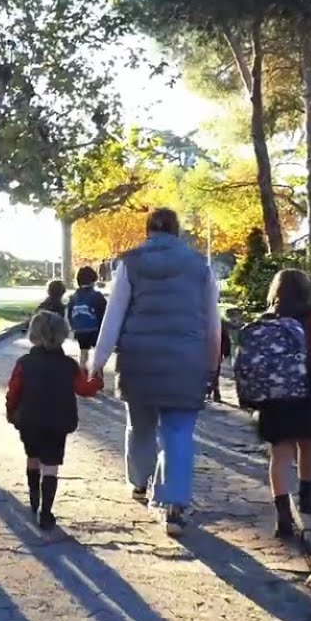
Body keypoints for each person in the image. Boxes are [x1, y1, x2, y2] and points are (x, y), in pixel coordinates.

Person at [90, 208, 221, 536]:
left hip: (139, 360)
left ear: (147, 231)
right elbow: (212, 322)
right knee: (178, 433)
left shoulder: (129, 264)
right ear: (177, 232)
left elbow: (114, 316)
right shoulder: (200, 267)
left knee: (141, 427)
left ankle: (139, 482)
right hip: (186, 360)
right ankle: (174, 506)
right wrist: (212, 364)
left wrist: (98, 361)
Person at [254, 269, 311, 537]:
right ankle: (307, 501)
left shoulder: (266, 321)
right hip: (307, 395)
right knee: (308, 445)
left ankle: (283, 517)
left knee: (279, 455)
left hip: (275, 398)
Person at [5, 311, 102, 530]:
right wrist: (96, 378)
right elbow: (83, 389)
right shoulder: (68, 365)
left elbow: (14, 390)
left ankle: (33, 497)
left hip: (29, 420)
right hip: (59, 421)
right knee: (51, 465)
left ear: (33, 334)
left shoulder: (25, 362)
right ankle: (46, 512)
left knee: (33, 457)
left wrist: (11, 412)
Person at [67, 266, 107, 372]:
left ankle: (82, 375)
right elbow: (104, 313)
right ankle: (97, 379)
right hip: (95, 330)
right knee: (98, 354)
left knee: (83, 353)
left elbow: (70, 314)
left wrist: (73, 327)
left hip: (80, 330)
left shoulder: (73, 296)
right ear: (93, 280)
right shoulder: (97, 296)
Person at [208, 311, 234, 403]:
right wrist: (225, 352)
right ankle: (214, 391)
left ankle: (213, 391)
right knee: (214, 372)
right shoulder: (218, 322)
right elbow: (226, 338)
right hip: (215, 351)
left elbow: (225, 338)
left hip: (210, 350)